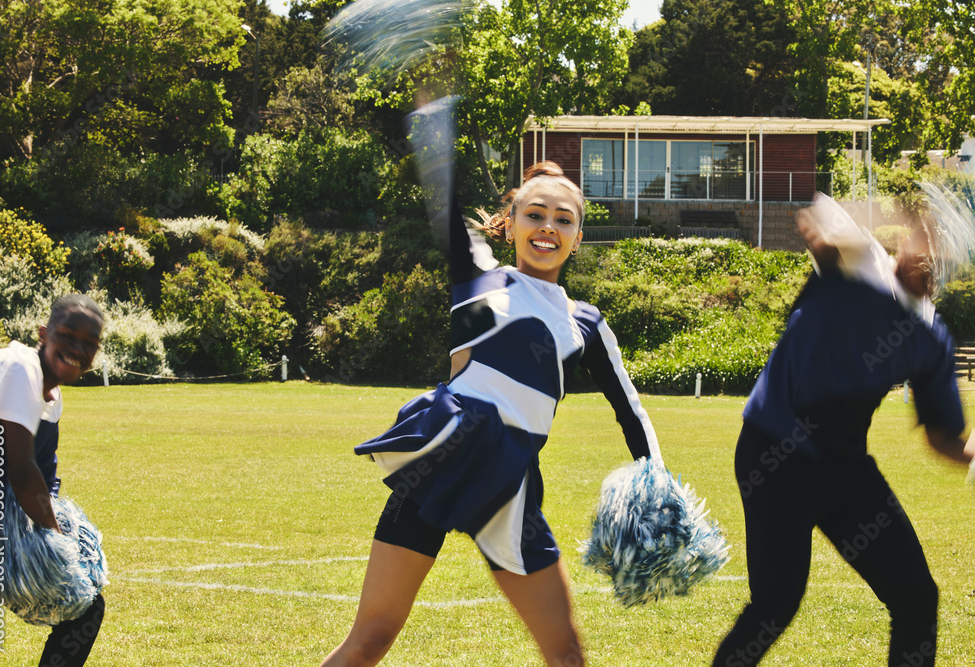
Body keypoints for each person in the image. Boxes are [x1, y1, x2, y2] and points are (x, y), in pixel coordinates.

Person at [322, 102, 660, 667]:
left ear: (578, 236)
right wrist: (431, 126)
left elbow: (631, 410)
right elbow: (446, 203)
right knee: (371, 637)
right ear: (512, 224)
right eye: (535, 214)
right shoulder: (481, 279)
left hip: (509, 480)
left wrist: (656, 477)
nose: (548, 227)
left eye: (564, 219)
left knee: (566, 654)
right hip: (441, 455)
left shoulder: (588, 323)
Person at [711, 195, 975, 667]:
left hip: (843, 467)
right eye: (922, 240)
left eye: (939, 250)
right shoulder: (857, 264)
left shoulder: (930, 335)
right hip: (775, 455)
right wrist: (882, 213)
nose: (925, 253)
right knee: (775, 605)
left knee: (916, 598)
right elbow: (819, 219)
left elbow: (943, 438)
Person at [0, 294, 106, 666]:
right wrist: (56, 537)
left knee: (86, 607)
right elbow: (19, 469)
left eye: (90, 343)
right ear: (44, 333)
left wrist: (63, 525)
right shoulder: (21, 367)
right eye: (68, 335)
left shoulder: (53, 396)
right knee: (84, 605)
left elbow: (43, 477)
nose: (77, 349)